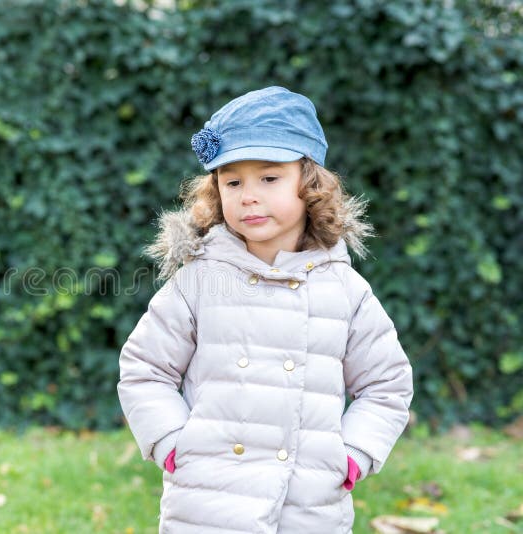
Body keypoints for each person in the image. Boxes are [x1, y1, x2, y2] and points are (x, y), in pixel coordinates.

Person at [117, 86, 414, 533]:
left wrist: (352, 454)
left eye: (269, 178)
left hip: (309, 505)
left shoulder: (344, 288)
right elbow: (145, 368)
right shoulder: (200, 280)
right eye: (233, 182)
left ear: (309, 184)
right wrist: (172, 442)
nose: (248, 196)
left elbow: (386, 384)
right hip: (208, 500)